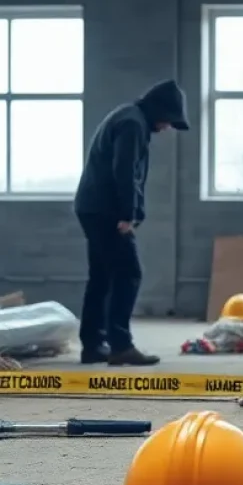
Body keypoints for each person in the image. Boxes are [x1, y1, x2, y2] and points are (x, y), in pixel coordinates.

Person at [73, 79, 190, 366]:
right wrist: (129, 214)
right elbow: (124, 172)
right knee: (129, 273)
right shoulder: (133, 124)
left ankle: (93, 346)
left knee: (101, 277)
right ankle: (120, 345)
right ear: (159, 111)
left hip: (92, 207)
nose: (166, 128)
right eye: (168, 121)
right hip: (107, 211)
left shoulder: (127, 116)